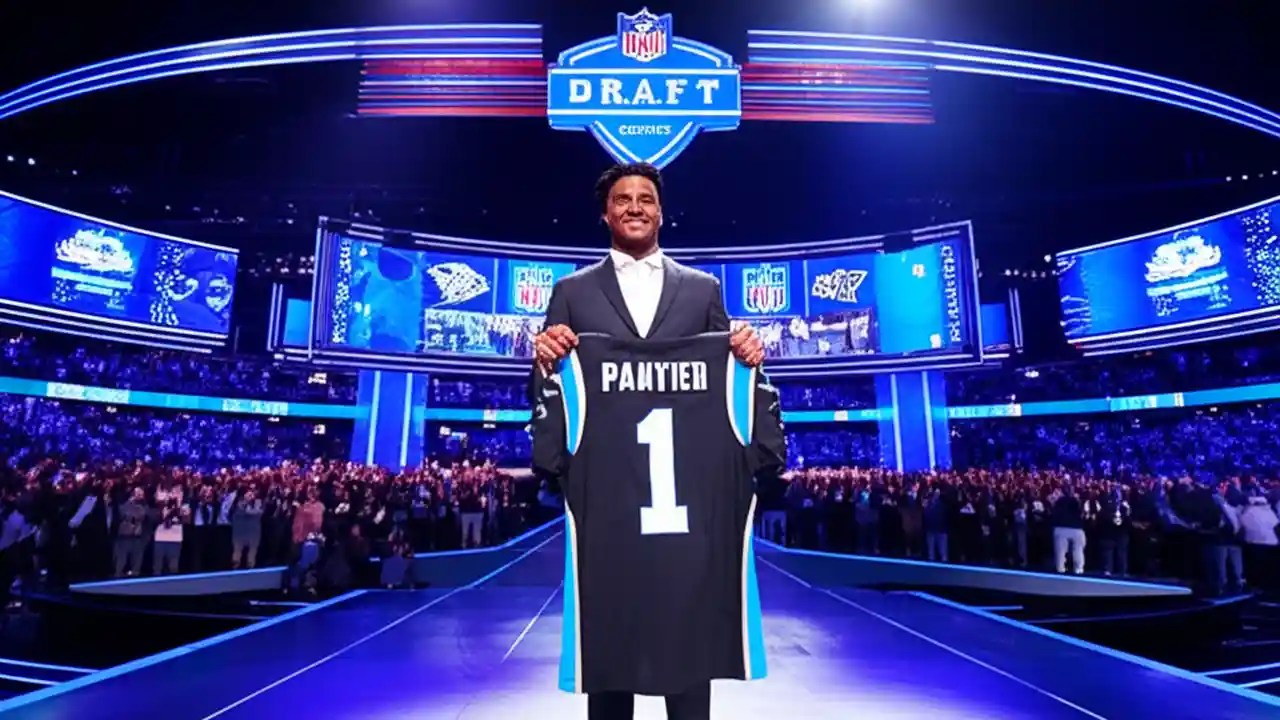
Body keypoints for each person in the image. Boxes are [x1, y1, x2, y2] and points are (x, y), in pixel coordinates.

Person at [531, 162, 766, 720]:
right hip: (609, 507)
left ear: (662, 212)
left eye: (645, 198)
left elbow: (729, 381)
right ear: (605, 213)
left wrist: (750, 352)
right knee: (609, 654)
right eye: (622, 198)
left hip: (685, 511)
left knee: (688, 661)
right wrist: (543, 358)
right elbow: (549, 391)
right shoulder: (571, 291)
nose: (634, 206)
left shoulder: (703, 289)